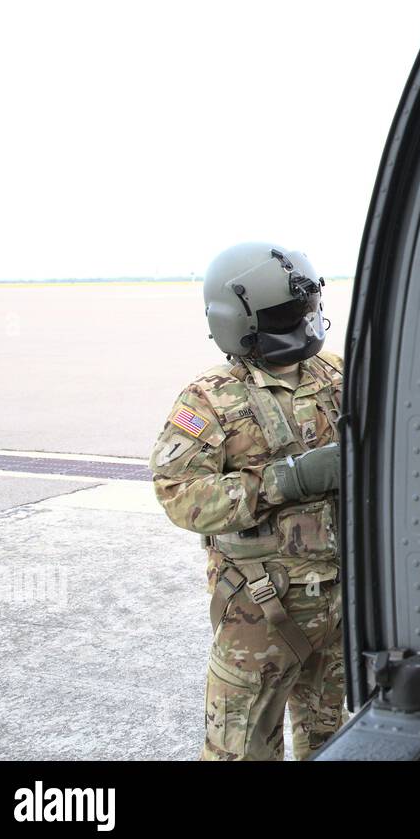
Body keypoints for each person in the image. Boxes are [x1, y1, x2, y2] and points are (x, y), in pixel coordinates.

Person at [151, 242, 345, 761]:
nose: (303, 325)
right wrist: (285, 481)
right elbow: (179, 494)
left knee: (334, 737)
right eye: (286, 316)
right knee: (240, 747)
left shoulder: (333, 375)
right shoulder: (210, 398)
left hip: (341, 600)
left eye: (305, 311)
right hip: (261, 610)